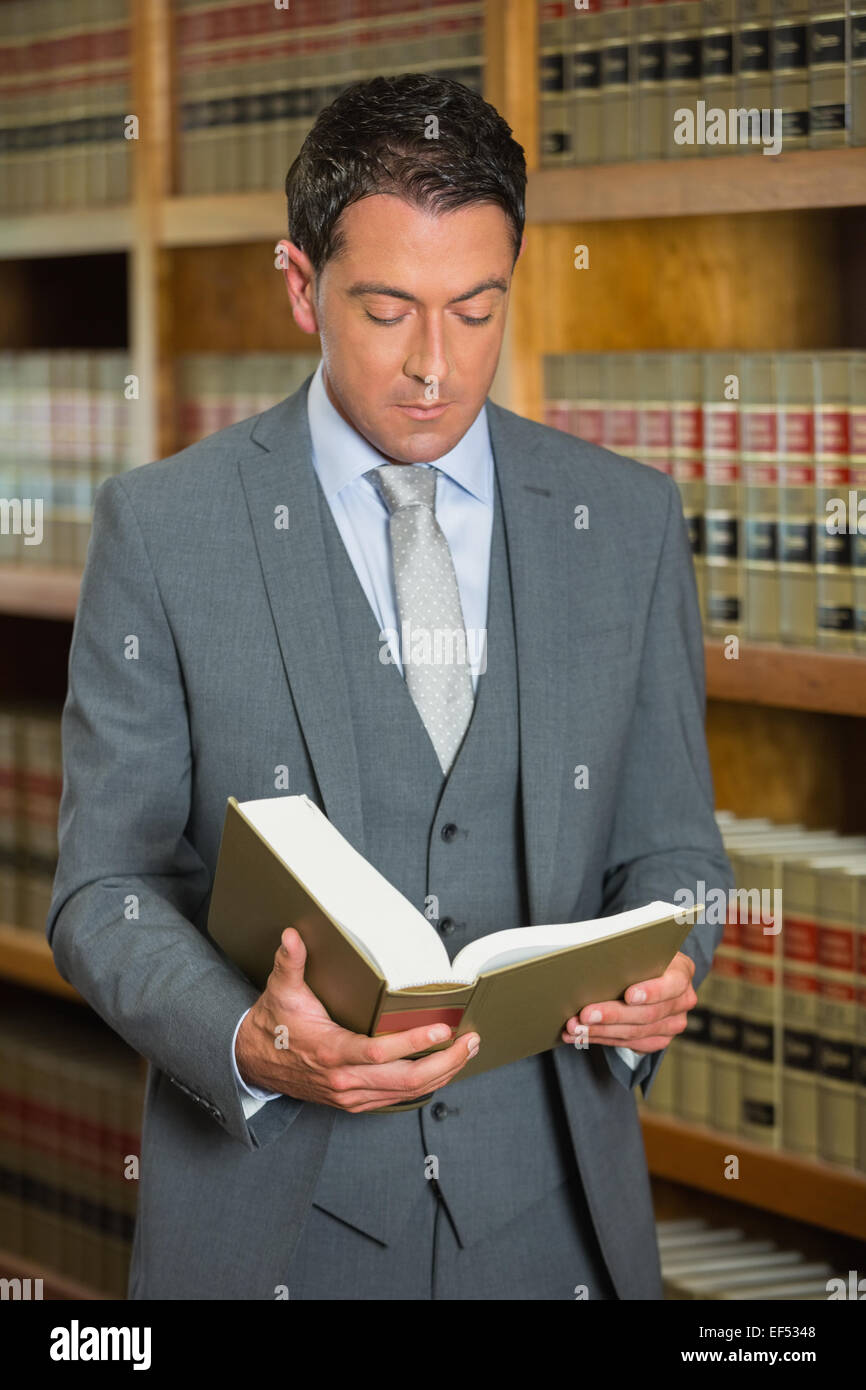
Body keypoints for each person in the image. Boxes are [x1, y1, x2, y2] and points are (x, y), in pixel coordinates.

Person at [47, 73, 733, 1301]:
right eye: (385, 309)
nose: (434, 365)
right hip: (268, 1235)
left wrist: (672, 970)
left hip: (559, 1227)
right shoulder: (162, 528)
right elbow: (104, 891)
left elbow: (675, 851)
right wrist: (251, 1042)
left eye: (476, 310)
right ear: (301, 286)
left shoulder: (622, 521)